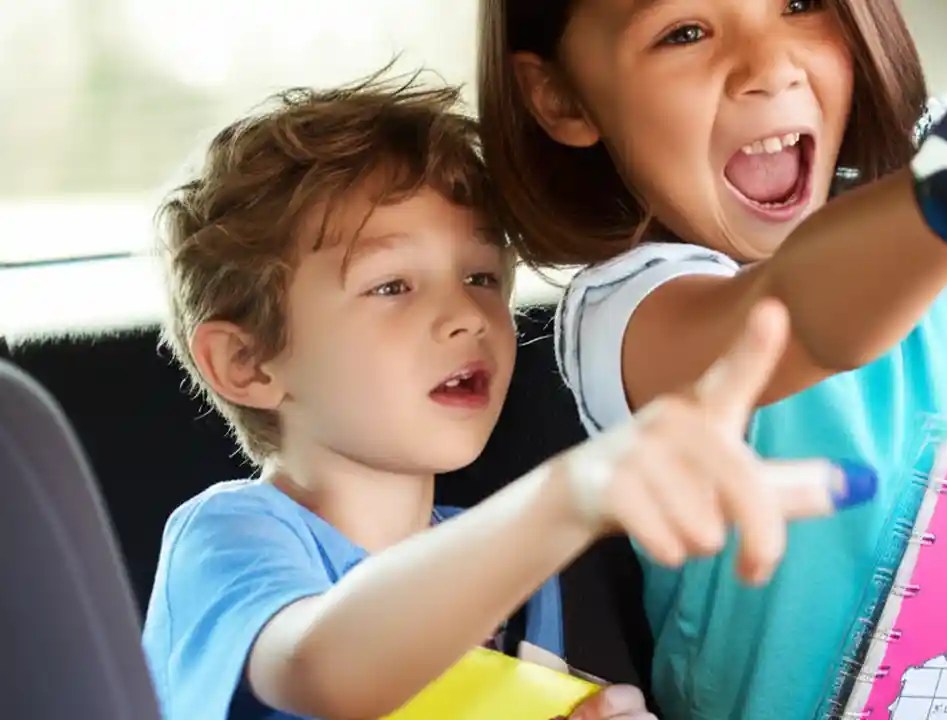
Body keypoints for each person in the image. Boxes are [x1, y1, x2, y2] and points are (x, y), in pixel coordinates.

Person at [477, 1, 947, 717]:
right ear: (561, 99)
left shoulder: (931, 208)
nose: (768, 68)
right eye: (684, 32)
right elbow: (796, 319)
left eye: (800, 3)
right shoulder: (627, 312)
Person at [140, 71, 869, 720]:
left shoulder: (512, 566)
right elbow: (322, 670)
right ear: (246, 361)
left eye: (483, 277)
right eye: (391, 285)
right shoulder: (232, 537)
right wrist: (564, 498)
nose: (467, 315)